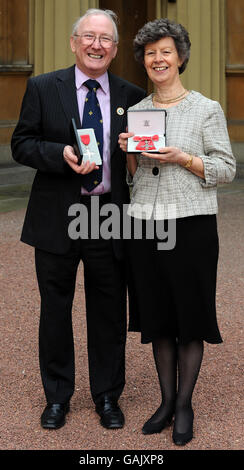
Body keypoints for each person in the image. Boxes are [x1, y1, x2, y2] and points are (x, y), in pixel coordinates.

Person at [11, 8, 146, 430]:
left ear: (116, 49)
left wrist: (137, 152)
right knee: (56, 309)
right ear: (74, 42)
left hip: (109, 215)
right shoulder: (42, 87)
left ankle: (107, 396)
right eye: (88, 36)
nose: (96, 45)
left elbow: (142, 159)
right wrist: (59, 155)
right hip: (57, 216)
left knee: (108, 310)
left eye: (105, 39)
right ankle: (57, 396)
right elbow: (21, 144)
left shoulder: (132, 95)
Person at [118, 18, 236, 445]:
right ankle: (166, 402)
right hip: (145, 224)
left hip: (191, 225)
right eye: (150, 53)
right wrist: (129, 157)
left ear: (180, 57)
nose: (158, 59)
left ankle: (184, 404)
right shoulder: (136, 112)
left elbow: (226, 169)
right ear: (144, 62)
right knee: (158, 316)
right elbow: (133, 181)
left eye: (165, 51)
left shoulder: (206, 108)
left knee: (190, 317)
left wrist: (184, 158)